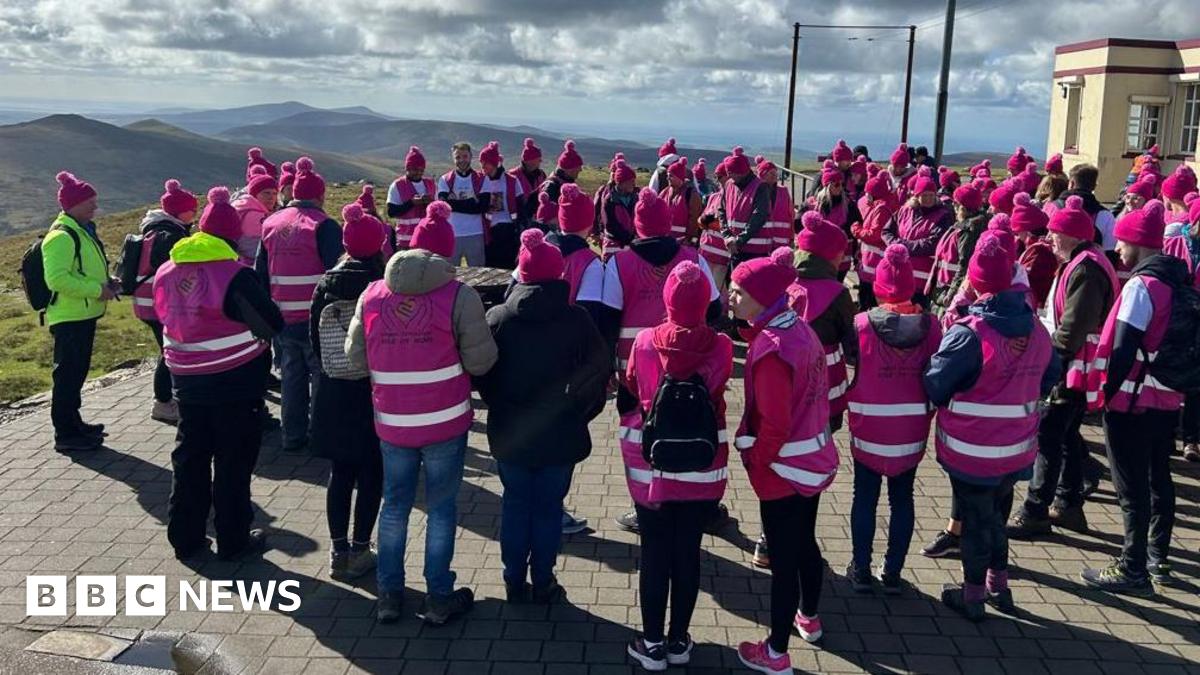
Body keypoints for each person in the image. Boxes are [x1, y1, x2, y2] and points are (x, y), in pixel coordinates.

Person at [345, 201, 498, 626]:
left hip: (392, 422)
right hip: (445, 420)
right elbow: (481, 362)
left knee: (394, 505)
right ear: (449, 253)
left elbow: (354, 360)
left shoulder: (373, 294)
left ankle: (389, 595)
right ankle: (438, 597)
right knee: (442, 508)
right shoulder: (460, 295)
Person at [925, 234, 1059, 621]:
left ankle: (971, 595)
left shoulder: (970, 333)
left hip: (972, 449)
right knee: (997, 515)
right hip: (1017, 446)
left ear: (977, 282)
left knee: (976, 523)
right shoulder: (1037, 329)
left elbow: (936, 383)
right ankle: (999, 584)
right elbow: (1050, 375)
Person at [477, 229, 608, 605]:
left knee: (516, 505)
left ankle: (512, 579)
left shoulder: (498, 318)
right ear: (560, 274)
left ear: (521, 274)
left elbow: (482, 373)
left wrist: (499, 403)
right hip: (561, 433)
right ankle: (545, 579)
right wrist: (579, 411)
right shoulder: (578, 319)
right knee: (549, 509)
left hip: (510, 434)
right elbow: (598, 370)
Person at [155, 187, 284, 561]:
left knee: (190, 457)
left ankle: (185, 537)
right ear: (231, 235)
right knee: (233, 461)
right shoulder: (234, 274)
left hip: (186, 380)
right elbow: (270, 322)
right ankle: (233, 538)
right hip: (234, 380)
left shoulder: (168, 269)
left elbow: (162, 315)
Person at [732, 248, 838, 673]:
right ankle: (809, 617)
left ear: (761, 297)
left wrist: (756, 460)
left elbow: (773, 424)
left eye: (739, 291)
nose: (731, 296)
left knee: (782, 558)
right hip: (811, 459)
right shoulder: (797, 328)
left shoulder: (772, 350)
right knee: (804, 542)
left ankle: (775, 653)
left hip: (783, 469)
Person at [622, 262, 732, 671]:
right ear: (706, 301)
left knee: (654, 552)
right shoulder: (721, 346)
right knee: (688, 552)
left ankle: (651, 644)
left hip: (654, 467)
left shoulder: (646, 341)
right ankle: (679, 640)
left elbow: (633, 386)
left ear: (667, 300)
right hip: (703, 466)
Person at [1083, 200, 1189, 594]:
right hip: (1167, 398)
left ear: (1137, 243)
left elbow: (1123, 347)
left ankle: (1132, 567)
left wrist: (1103, 396)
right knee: (1159, 477)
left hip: (1132, 400)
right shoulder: (1177, 280)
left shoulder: (1141, 287)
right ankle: (1158, 557)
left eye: (1124, 242)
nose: (1119, 249)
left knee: (1131, 487)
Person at [603, 188, 722, 534]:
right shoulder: (692, 258)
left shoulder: (619, 263)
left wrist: (608, 368)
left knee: (639, 437)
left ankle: (645, 506)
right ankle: (688, 500)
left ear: (637, 226)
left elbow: (609, 320)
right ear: (668, 223)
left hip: (635, 372)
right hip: (689, 368)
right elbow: (714, 310)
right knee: (688, 429)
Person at [1009, 195, 1117, 539]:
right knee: (1066, 435)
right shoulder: (1083, 262)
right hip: (1076, 365)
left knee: (1048, 436)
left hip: (1072, 366)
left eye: (1056, 233)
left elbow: (1073, 327)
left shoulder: (1085, 269)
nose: (1051, 238)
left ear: (1070, 235)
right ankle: (1069, 504)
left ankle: (1035, 510)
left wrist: (1049, 361)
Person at [846, 245, 941, 594]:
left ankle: (860, 568)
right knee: (903, 498)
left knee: (864, 498)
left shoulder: (861, 324)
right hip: (911, 429)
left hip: (869, 427)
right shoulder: (933, 327)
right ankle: (893, 573)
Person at [309, 204, 388, 581]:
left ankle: (337, 549)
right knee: (372, 471)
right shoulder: (380, 285)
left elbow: (314, 339)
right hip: (372, 389)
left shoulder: (325, 284)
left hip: (333, 387)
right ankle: (361, 547)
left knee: (340, 472)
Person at [257, 157, 344, 454]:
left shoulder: (269, 222)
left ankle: (291, 436)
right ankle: (319, 434)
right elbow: (336, 272)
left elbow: (260, 273)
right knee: (321, 376)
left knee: (291, 376)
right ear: (320, 196)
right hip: (315, 317)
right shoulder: (325, 226)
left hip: (281, 315)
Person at [42, 171, 117, 452]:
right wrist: (97, 290)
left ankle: (74, 424)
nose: (95, 208)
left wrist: (107, 283)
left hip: (83, 314)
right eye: (90, 203)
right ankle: (66, 434)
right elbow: (57, 280)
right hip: (70, 316)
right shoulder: (61, 236)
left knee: (75, 374)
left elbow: (82, 269)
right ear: (73, 205)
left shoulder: (80, 230)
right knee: (68, 376)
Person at [131, 179, 197, 425]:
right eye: (192, 208)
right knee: (167, 351)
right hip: (158, 304)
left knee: (166, 348)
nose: (195, 212)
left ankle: (167, 399)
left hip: (146, 301)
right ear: (180, 211)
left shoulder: (154, 229)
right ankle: (163, 402)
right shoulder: (170, 235)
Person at [883, 170, 954, 307]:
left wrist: (901, 247)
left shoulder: (943, 216)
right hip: (898, 275)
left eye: (931, 195)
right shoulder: (905, 210)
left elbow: (933, 244)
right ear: (916, 195)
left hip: (922, 280)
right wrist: (895, 245)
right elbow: (886, 231)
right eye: (924, 195)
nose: (928, 198)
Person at [927, 183, 987, 314]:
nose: (953, 206)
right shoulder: (964, 227)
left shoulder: (968, 230)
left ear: (962, 207)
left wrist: (952, 293)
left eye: (955, 203)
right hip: (945, 287)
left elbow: (964, 263)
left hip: (949, 291)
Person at [437, 142, 490, 267]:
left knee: (479, 273)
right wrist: (472, 202)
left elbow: (482, 207)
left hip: (475, 233)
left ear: (471, 156)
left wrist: (453, 203)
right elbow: (443, 206)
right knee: (449, 273)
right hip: (451, 233)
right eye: (458, 157)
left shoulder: (482, 178)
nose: (461, 160)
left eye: (465, 156)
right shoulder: (445, 179)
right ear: (453, 159)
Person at [718, 147, 774, 265]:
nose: (730, 177)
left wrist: (738, 241)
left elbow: (759, 217)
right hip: (735, 248)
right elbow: (721, 211)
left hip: (756, 251)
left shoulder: (760, 187)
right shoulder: (729, 185)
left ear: (742, 172)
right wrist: (727, 236)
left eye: (732, 173)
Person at [1046, 164, 1117, 252]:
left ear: (1071, 183)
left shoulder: (1052, 207)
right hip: (1086, 263)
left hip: (1055, 261)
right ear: (1094, 186)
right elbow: (1109, 249)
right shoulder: (1105, 215)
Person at [852, 172, 896, 311]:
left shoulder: (881, 209)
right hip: (872, 264)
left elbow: (875, 234)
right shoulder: (883, 206)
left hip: (873, 264)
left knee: (868, 300)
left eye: (867, 193)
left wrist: (856, 230)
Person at [477, 141, 524, 269]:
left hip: (508, 229)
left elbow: (521, 205)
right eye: (481, 162)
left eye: (485, 162)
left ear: (494, 163)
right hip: (488, 231)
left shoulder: (511, 180)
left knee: (507, 265)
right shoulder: (479, 180)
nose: (482, 165)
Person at [1011, 192, 1057, 310]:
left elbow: (1025, 281)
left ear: (1026, 231)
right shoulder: (1036, 248)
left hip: (1034, 305)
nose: (1016, 235)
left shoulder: (1038, 252)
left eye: (1017, 232)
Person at [387, 146, 436, 251]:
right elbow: (391, 212)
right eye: (415, 169)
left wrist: (430, 203)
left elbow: (438, 210)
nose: (418, 172)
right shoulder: (397, 185)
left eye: (421, 170)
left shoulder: (431, 184)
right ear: (407, 168)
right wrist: (411, 203)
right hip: (405, 242)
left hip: (427, 239)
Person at [232, 167, 278, 265]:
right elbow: (253, 248)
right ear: (255, 194)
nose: (271, 197)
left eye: (274, 193)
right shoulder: (255, 215)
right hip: (253, 265)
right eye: (266, 193)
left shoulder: (243, 207)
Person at [599, 160, 639, 259]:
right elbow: (610, 224)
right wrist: (628, 239)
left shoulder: (636, 197)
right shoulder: (609, 200)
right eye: (631, 181)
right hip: (613, 245)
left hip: (630, 244)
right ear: (622, 183)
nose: (634, 184)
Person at [660, 157, 702, 243]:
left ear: (679, 177)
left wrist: (689, 239)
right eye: (667, 176)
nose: (667, 178)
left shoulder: (691, 195)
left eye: (671, 176)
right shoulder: (665, 192)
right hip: (665, 239)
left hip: (683, 241)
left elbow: (694, 220)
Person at [509, 138, 546, 225]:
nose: (541, 161)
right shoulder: (512, 176)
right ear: (530, 161)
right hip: (518, 220)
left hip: (537, 219)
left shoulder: (541, 175)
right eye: (538, 159)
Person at [542, 140, 584, 205]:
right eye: (578, 167)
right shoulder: (551, 188)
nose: (581, 170)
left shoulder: (564, 182)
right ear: (569, 169)